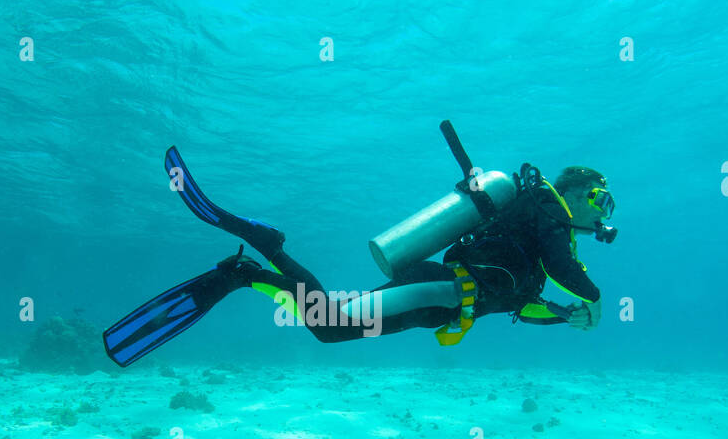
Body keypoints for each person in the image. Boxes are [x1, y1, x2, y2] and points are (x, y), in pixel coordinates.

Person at [104, 125, 618, 367]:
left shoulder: (539, 230)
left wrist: (562, 314)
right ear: (573, 190)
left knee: (329, 324)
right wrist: (593, 299)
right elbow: (559, 264)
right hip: (438, 291)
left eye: (607, 205)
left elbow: (519, 301)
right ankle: (250, 269)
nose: (602, 211)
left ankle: (264, 254)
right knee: (329, 325)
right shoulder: (548, 209)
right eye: (600, 198)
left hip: (441, 302)